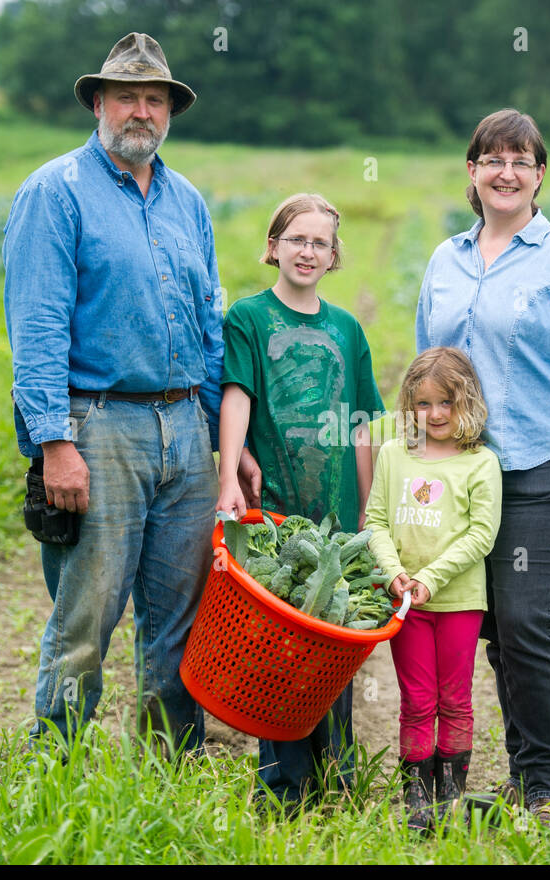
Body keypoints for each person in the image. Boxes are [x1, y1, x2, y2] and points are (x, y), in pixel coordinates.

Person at [3, 32, 260, 752]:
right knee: (87, 613)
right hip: (98, 426)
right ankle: (55, 765)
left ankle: (167, 767)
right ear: (98, 103)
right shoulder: (56, 193)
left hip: (183, 426)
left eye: (155, 99)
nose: (141, 111)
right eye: (127, 97)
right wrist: (55, 441)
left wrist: (222, 440)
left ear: (170, 111)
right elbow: (39, 325)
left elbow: (210, 321)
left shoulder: (187, 201)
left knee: (178, 614)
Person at [415, 109, 550, 823]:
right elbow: (426, 369)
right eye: (492, 158)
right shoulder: (445, 260)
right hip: (466, 473)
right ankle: (525, 771)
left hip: (546, 467)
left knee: (527, 615)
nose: (506, 171)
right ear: (471, 172)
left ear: (539, 177)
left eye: (522, 160)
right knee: (494, 629)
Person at [216, 193, 385, 809]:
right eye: (296, 239)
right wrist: (229, 472)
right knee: (280, 645)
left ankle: (334, 771)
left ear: (333, 254)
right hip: (277, 511)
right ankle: (284, 783)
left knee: (332, 634)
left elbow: (365, 422)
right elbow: (236, 395)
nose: (307, 251)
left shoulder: (346, 328)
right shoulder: (249, 318)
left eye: (319, 242)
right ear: (274, 247)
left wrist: (372, 507)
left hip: (336, 509)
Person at [363, 347, 501, 831]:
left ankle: (451, 797)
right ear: (409, 406)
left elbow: (481, 535)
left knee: (454, 698)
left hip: (459, 602)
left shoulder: (480, 463)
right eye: (424, 404)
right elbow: (376, 520)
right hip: (407, 604)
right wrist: (394, 571)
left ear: (467, 403)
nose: (436, 414)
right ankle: (417, 799)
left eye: (447, 402)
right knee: (417, 700)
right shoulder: (395, 455)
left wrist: (430, 577)